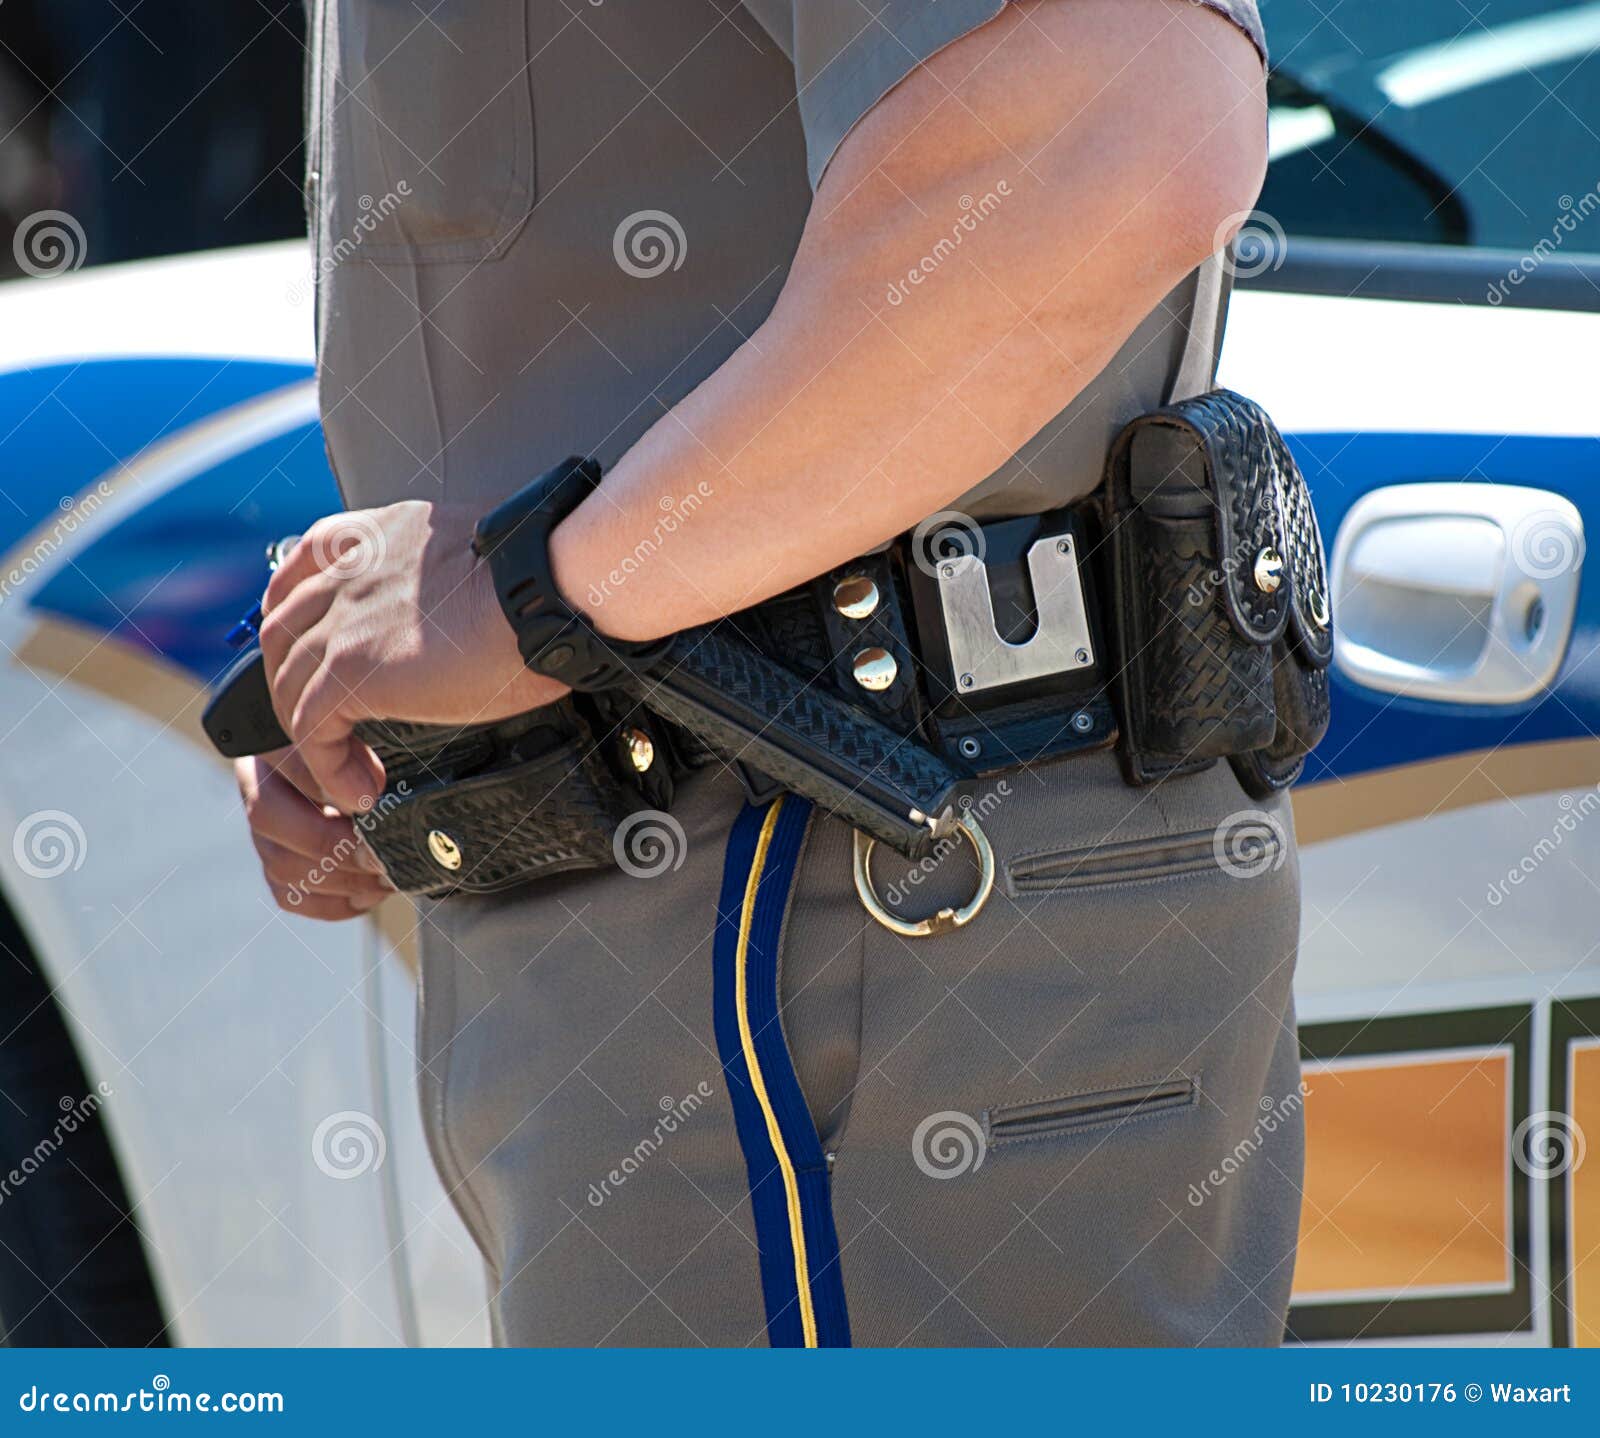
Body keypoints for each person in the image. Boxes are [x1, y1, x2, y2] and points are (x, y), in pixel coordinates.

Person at [239, 0, 1303, 1346]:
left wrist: (530, 604)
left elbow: (1118, 123)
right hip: (721, 936)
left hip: (851, 911)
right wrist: (401, 682)